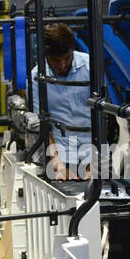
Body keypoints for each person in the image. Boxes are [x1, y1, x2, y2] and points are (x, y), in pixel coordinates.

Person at [30, 22, 92, 180]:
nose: (62, 65)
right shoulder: (37, 76)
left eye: (66, 58)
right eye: (56, 61)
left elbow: (104, 118)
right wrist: (58, 165)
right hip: (60, 153)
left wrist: (95, 164)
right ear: (45, 56)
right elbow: (43, 126)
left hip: (93, 151)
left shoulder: (90, 67)